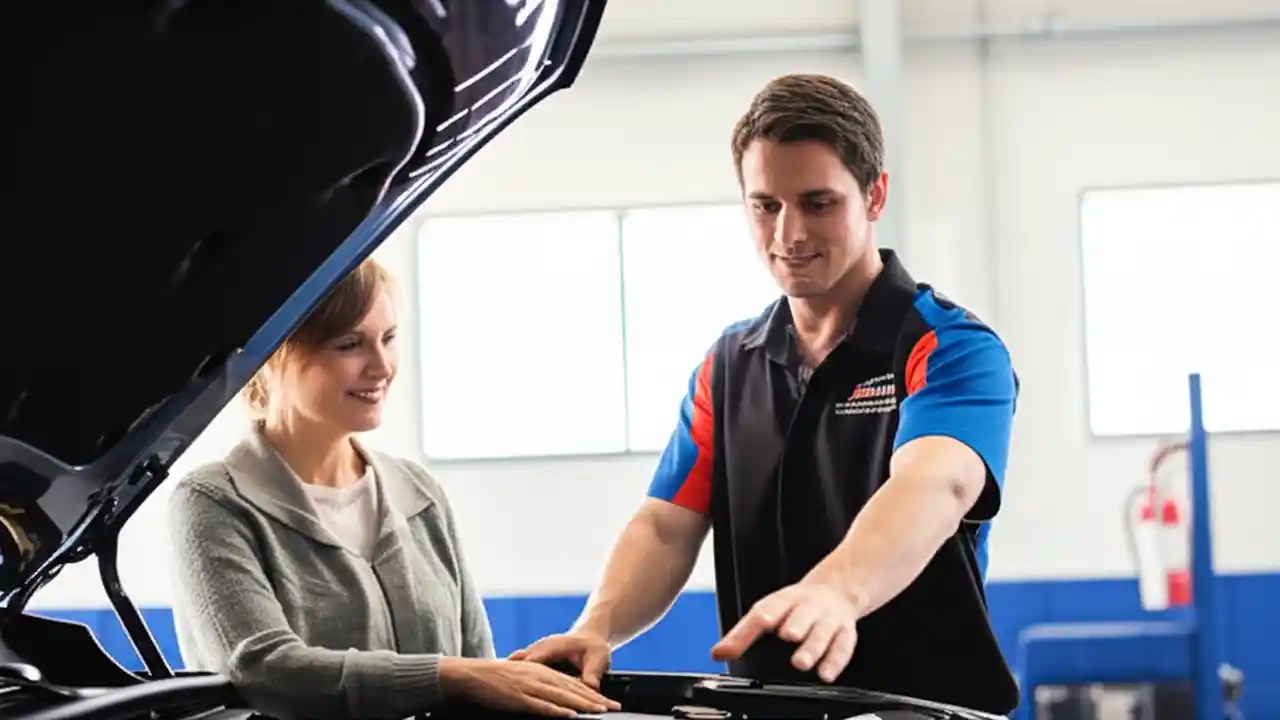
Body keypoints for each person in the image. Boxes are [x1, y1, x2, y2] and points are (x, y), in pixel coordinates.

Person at [511, 74, 1021, 715]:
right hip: (773, 707)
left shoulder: (950, 348)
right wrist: (595, 628)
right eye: (766, 206)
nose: (789, 235)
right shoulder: (726, 368)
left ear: (875, 195)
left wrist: (837, 591)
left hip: (926, 710)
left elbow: (933, 486)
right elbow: (667, 527)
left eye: (818, 202)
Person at [167, 258, 620, 720]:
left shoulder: (418, 493)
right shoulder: (215, 501)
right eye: (350, 345)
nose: (382, 367)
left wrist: (499, 678)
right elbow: (265, 669)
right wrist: (450, 676)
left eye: (389, 338)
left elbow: (478, 664)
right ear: (275, 353)